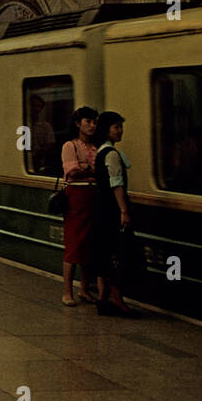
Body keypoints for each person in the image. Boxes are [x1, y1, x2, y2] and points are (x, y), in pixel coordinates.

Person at [93, 111, 139, 318]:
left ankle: (102, 298)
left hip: (102, 209)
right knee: (117, 254)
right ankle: (117, 300)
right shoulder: (111, 154)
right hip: (112, 210)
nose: (120, 131)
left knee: (104, 254)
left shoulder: (100, 152)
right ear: (106, 130)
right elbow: (116, 184)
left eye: (121, 126)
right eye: (116, 127)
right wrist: (123, 210)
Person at [60, 106, 99, 306]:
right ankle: (67, 291)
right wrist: (90, 169)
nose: (92, 126)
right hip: (75, 198)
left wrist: (85, 168)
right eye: (88, 122)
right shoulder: (70, 146)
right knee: (73, 245)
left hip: (92, 197)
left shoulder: (94, 147)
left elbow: (95, 171)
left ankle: (84, 289)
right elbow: (72, 172)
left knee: (88, 245)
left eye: (94, 122)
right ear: (78, 124)